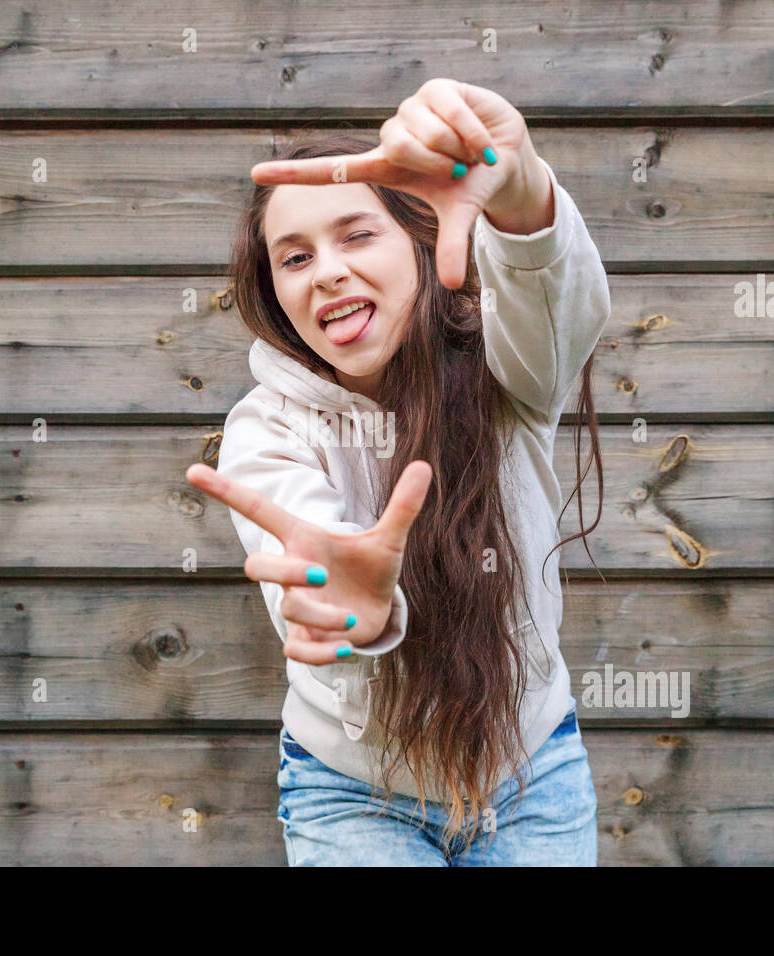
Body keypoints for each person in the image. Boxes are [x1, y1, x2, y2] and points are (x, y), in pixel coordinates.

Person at [185, 78, 611, 866]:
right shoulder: (265, 429)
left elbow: (559, 305)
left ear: (419, 244)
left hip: (532, 772)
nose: (327, 273)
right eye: (295, 257)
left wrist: (519, 192)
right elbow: (312, 591)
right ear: (275, 294)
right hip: (350, 790)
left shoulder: (507, 369)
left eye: (356, 235)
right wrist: (353, 613)